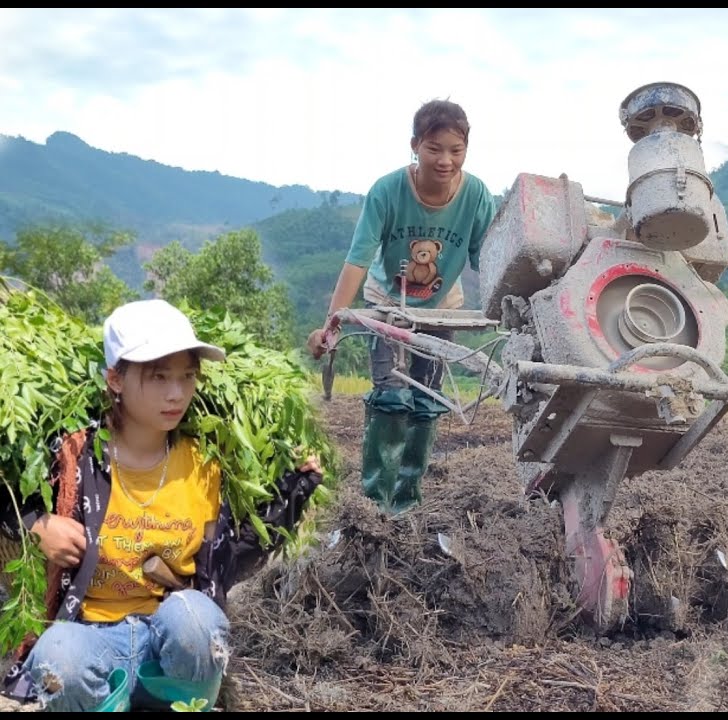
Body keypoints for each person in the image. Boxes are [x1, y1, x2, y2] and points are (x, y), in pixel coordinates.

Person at [0, 298, 325, 711]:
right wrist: (38, 524)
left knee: (197, 621)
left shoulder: (208, 461)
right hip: (94, 640)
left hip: (168, 639)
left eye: (187, 376)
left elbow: (232, 553)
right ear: (115, 379)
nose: (176, 394)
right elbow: (7, 495)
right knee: (57, 657)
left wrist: (296, 488)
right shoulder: (73, 457)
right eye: (157, 377)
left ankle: (181, 701)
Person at [307, 98, 497, 515]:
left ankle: (407, 502)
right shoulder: (388, 191)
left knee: (427, 402)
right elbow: (358, 258)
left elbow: (488, 258)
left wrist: (514, 304)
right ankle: (375, 503)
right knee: (392, 398)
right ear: (415, 145)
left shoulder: (477, 195)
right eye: (434, 149)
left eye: (455, 150)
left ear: (467, 148)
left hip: (439, 310)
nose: (445, 160)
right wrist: (331, 325)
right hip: (388, 306)